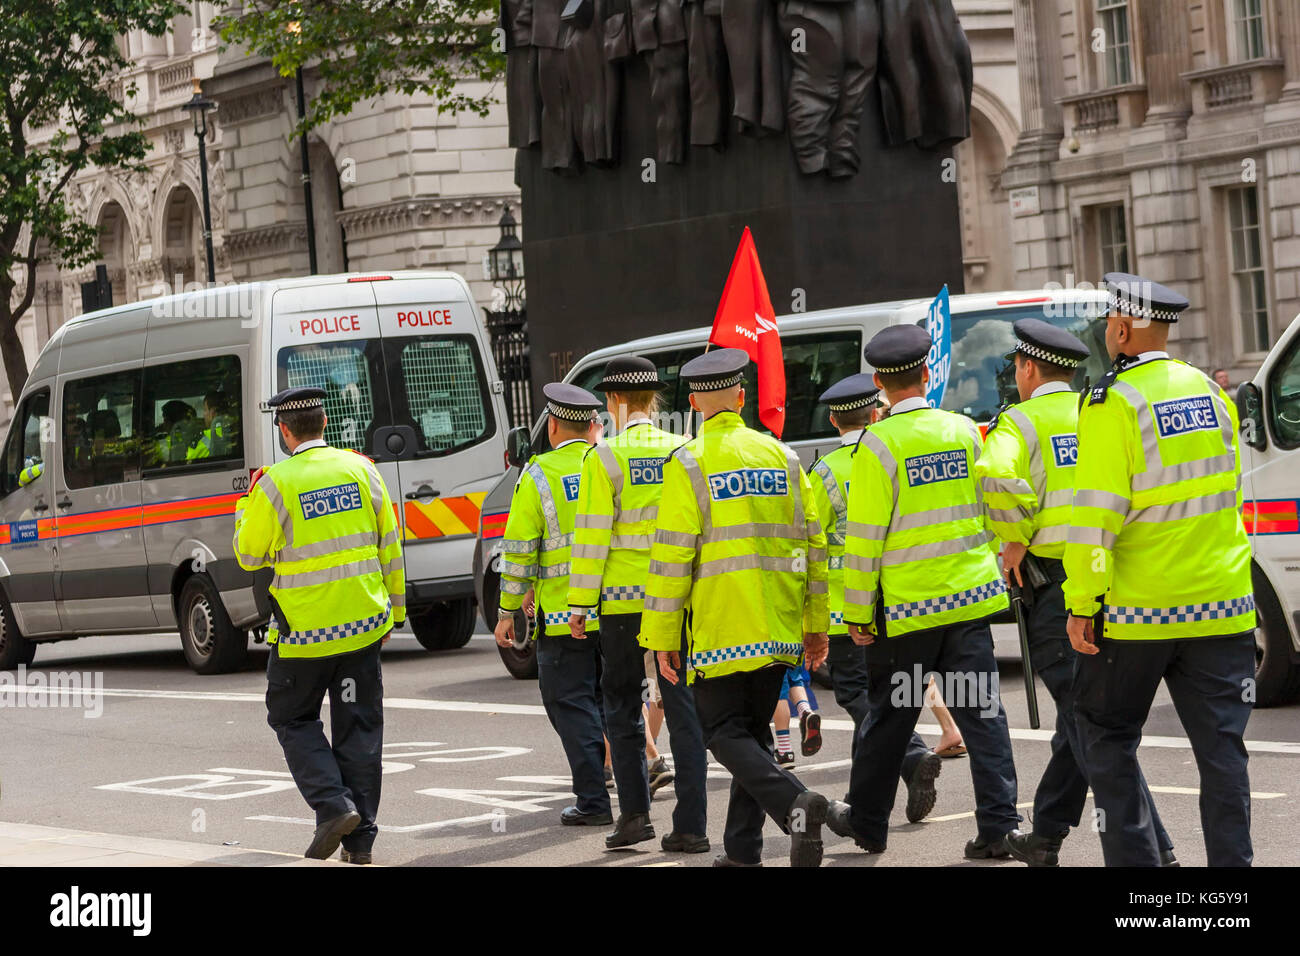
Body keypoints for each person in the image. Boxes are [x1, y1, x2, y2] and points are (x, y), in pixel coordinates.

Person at [1064, 273, 1256, 867]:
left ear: (1121, 329)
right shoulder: (1212, 392)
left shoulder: (1112, 401)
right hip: (1222, 604)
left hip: (1140, 614)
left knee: (1106, 735)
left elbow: (1096, 518)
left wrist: (1082, 602)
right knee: (1223, 752)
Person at [976, 319, 1177, 868]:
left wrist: (1014, 535)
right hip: (1111, 579)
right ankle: (1045, 836)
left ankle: (1158, 851)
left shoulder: (1018, 420)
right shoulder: (1098, 407)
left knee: (1091, 724)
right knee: (1083, 718)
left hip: (1054, 588)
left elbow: (992, 474)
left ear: (1026, 368)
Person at [830, 325, 1019, 859]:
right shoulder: (963, 430)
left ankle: (867, 823)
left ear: (878, 385)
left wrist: (857, 613)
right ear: (928, 374)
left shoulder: (878, 444)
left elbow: (865, 538)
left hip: (908, 610)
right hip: (969, 600)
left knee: (889, 721)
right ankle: (999, 826)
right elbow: (985, 507)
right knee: (983, 716)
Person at [641, 348, 833, 868]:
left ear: (697, 402)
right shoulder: (785, 457)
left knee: (720, 733)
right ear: (742, 398)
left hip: (723, 626)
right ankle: (744, 852)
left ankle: (798, 803)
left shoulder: (688, 461)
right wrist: (817, 625)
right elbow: (815, 546)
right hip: (779, 623)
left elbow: (672, 557)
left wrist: (660, 636)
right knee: (750, 734)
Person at [233, 386, 405, 864]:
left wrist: (246, 506)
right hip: (363, 628)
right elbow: (389, 544)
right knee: (361, 729)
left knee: (291, 717)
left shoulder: (275, 483)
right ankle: (361, 841)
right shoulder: (362, 469)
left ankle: (332, 806)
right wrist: (395, 611)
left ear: (285, 431)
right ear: (324, 423)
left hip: (304, 636)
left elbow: (248, 554)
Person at [568, 356, 711, 852]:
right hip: (677, 600)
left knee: (622, 705)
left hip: (624, 605)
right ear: (655, 400)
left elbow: (590, 540)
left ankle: (634, 816)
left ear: (613, 401)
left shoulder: (603, 458)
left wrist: (580, 605)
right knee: (684, 706)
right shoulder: (684, 451)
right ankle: (692, 825)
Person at [810, 372, 947, 821]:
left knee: (860, 698)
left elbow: (810, 541)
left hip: (846, 609)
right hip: (900, 600)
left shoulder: (826, 471)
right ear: (876, 411)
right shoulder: (894, 449)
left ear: (833, 421)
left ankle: (910, 754)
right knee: (889, 693)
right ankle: (861, 801)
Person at [495, 383, 612, 827]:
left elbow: (521, 549)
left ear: (556, 425)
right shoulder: (609, 463)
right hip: (614, 610)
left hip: (564, 617)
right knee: (611, 702)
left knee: (569, 702)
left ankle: (593, 801)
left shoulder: (539, 474)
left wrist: (507, 613)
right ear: (592, 426)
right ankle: (630, 796)